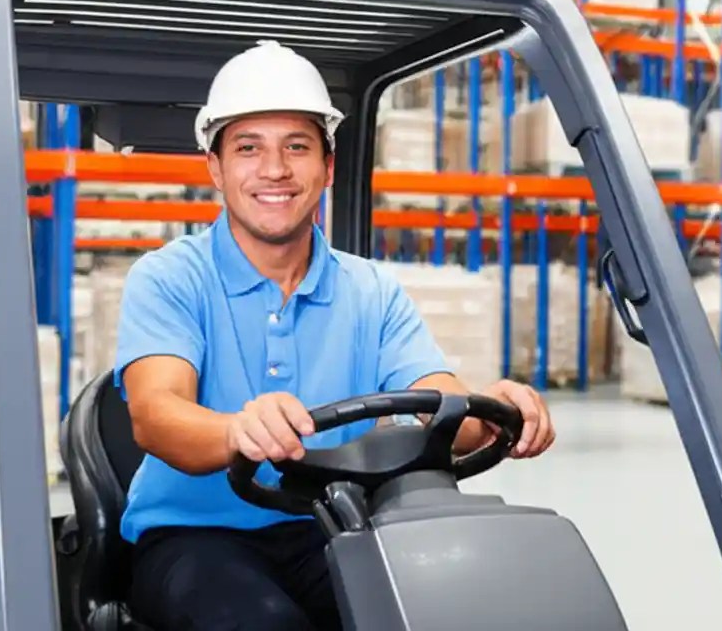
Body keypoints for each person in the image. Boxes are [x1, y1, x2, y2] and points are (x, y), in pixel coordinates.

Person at [114, 39, 556, 631]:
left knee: (451, 607)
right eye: (249, 148)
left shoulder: (372, 291)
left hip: (331, 526)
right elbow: (157, 414)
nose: (274, 169)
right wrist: (234, 430)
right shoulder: (170, 278)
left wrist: (497, 408)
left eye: (296, 147)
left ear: (327, 166)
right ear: (216, 168)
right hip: (194, 539)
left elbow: (440, 404)